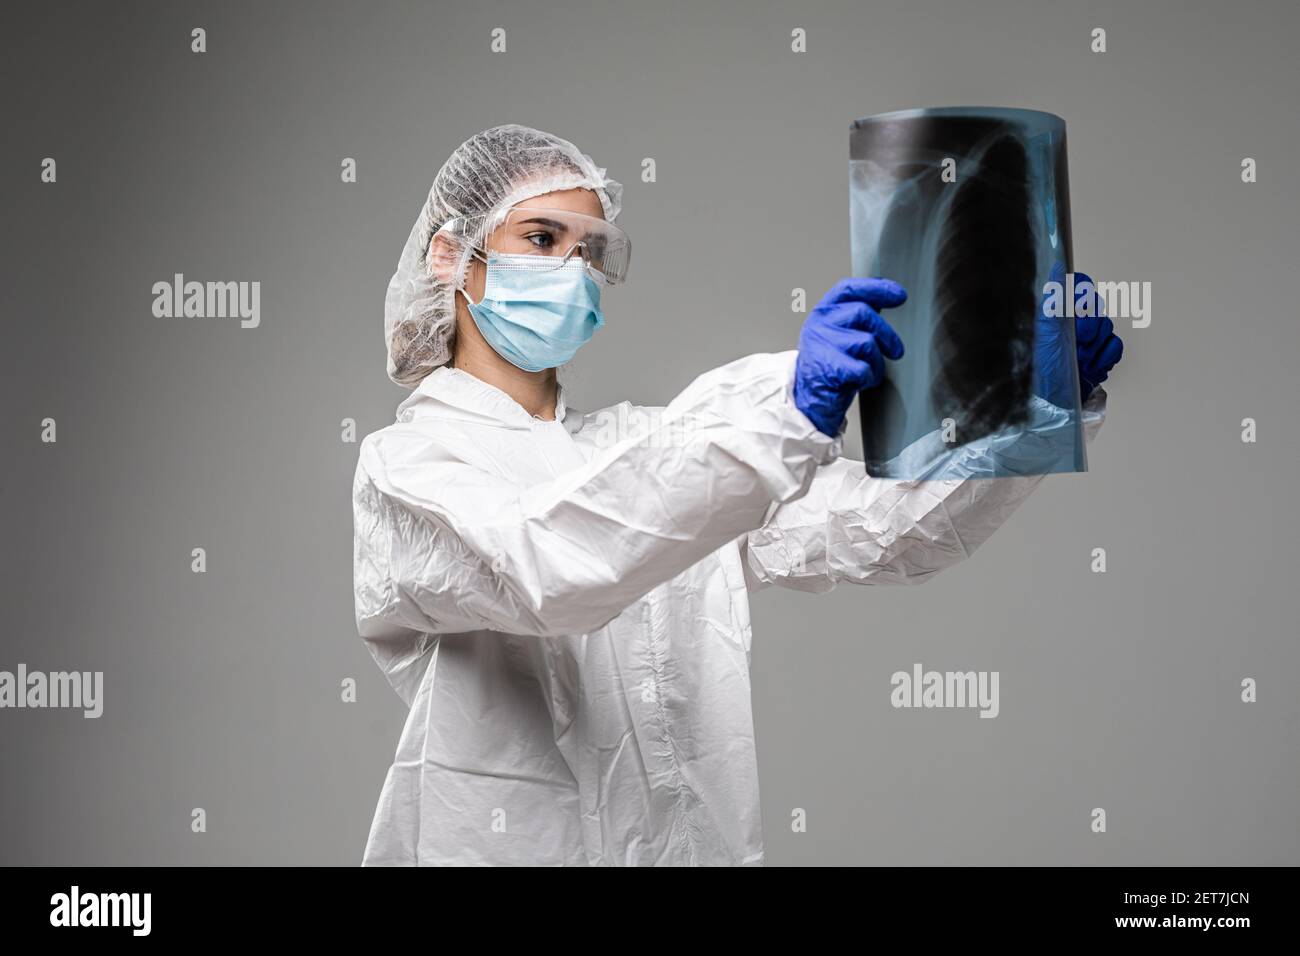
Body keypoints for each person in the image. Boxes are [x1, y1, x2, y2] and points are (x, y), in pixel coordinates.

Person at [353, 124, 1123, 866]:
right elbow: (547, 567)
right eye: (543, 239)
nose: (572, 271)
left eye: (589, 250)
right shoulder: (409, 467)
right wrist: (784, 405)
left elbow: (888, 530)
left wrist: (1035, 409)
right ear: (452, 254)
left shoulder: (646, 451)